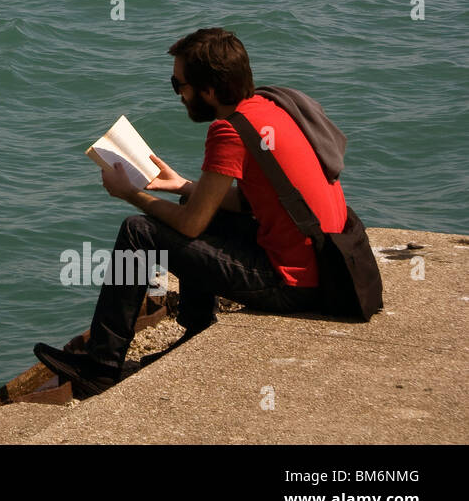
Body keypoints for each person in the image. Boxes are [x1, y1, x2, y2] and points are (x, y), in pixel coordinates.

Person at [34, 27, 348, 398]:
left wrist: (130, 193)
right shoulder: (270, 110)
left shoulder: (229, 132)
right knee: (193, 205)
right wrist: (183, 185)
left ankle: (101, 366)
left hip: (291, 284)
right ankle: (196, 327)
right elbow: (255, 201)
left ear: (210, 91)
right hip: (322, 261)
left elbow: (193, 224)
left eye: (178, 85)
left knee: (139, 231)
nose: (179, 95)